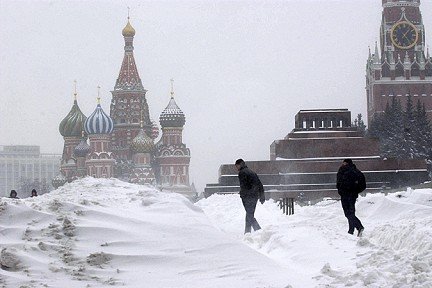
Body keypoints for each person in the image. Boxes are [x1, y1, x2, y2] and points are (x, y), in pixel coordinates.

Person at [235, 159, 265, 234]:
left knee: (250, 216)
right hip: (255, 196)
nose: (236, 168)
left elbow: (244, 186)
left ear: (239, 165)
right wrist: (262, 196)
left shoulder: (242, 173)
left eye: (236, 166)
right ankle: (247, 233)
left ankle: (259, 231)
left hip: (248, 197)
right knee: (249, 214)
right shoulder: (252, 172)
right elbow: (260, 184)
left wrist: (242, 195)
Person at [336, 159, 365, 237]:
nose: (343, 164)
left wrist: (340, 190)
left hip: (345, 194)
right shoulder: (356, 171)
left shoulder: (342, 171)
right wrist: (356, 190)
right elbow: (363, 184)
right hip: (352, 195)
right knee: (351, 212)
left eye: (344, 163)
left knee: (348, 213)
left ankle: (359, 227)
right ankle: (351, 230)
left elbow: (338, 182)